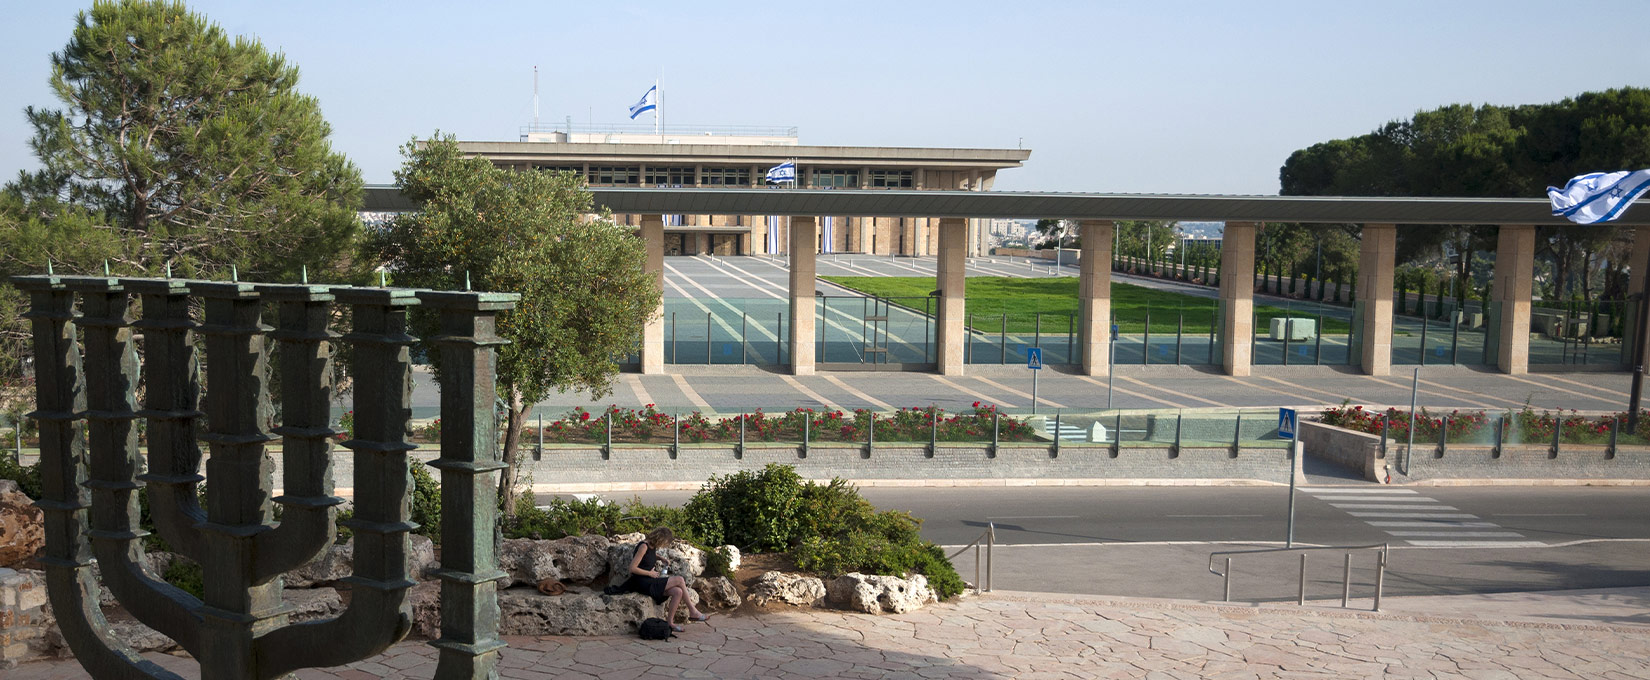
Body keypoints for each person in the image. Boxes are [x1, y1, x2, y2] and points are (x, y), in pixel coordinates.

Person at [622, 526, 709, 632]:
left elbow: (648, 555)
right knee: (680, 580)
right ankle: (693, 611)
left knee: (678, 591)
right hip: (641, 582)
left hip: (649, 580)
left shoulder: (651, 546)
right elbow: (632, 568)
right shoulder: (643, 546)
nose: (664, 545)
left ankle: (670, 623)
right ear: (660, 539)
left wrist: (660, 558)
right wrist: (649, 573)